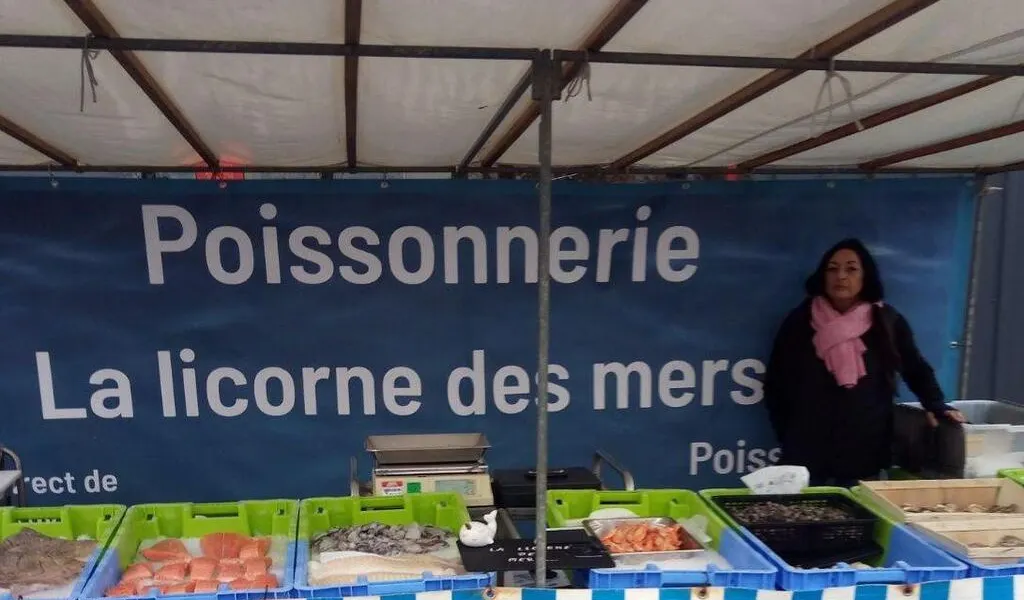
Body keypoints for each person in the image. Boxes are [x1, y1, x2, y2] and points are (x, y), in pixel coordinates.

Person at [763, 238, 964, 487]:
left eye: (851, 269)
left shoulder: (886, 321)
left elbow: (915, 368)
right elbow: (776, 383)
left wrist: (936, 405)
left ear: (865, 276)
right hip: (806, 453)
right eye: (833, 269)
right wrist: (789, 434)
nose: (841, 276)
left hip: (865, 448)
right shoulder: (800, 321)